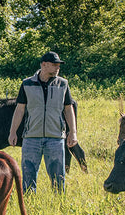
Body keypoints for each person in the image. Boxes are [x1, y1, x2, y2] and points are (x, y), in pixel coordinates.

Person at [8, 51, 78, 192]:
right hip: (31, 137)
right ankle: (29, 201)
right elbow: (20, 109)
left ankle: (59, 201)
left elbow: (68, 109)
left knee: (58, 176)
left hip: (56, 137)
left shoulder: (63, 84)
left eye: (59, 65)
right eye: (54, 64)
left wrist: (73, 132)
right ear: (44, 64)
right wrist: (13, 132)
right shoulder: (27, 84)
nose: (58, 67)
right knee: (28, 174)